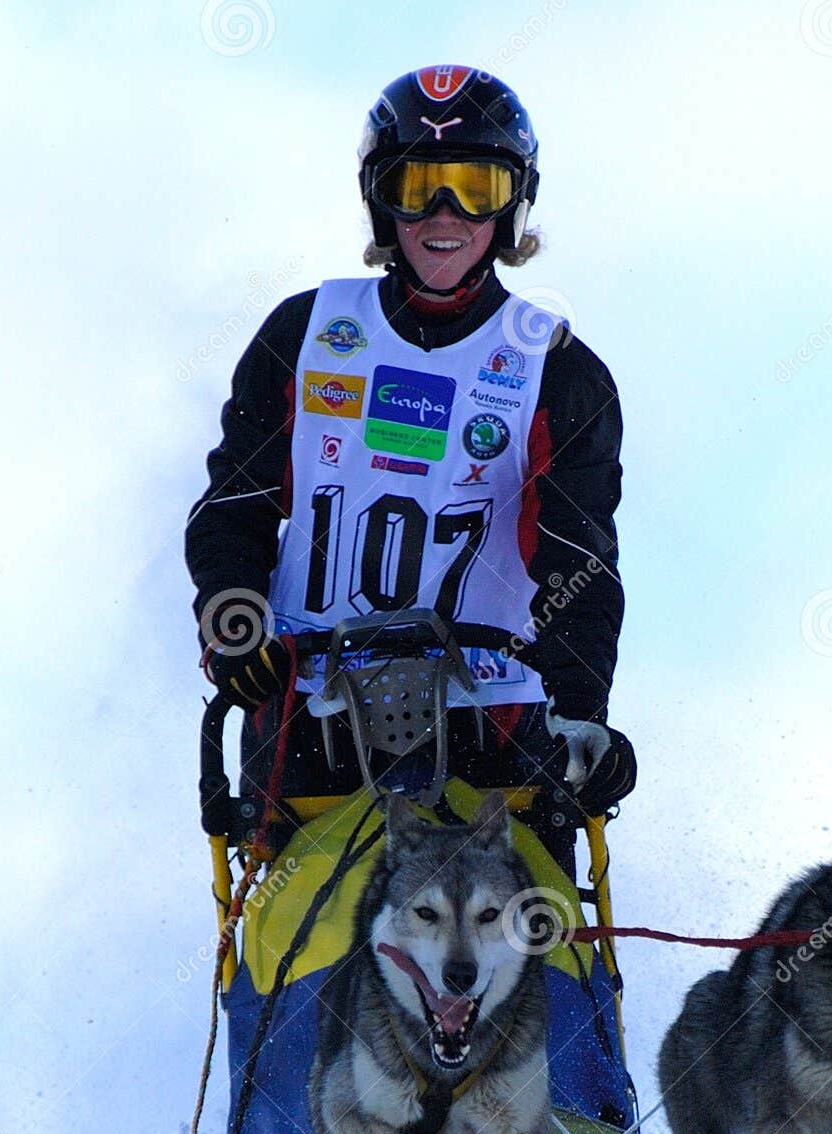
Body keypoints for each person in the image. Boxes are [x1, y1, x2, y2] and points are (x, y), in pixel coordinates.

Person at [185, 65, 635, 867]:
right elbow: (233, 508)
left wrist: (580, 712)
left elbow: (579, 565)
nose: (444, 213)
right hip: (306, 715)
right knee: (305, 956)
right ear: (379, 199)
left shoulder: (557, 373)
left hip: (491, 720)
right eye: (418, 183)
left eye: (474, 186)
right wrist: (234, 616)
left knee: (526, 953)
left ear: (513, 206)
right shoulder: (306, 335)